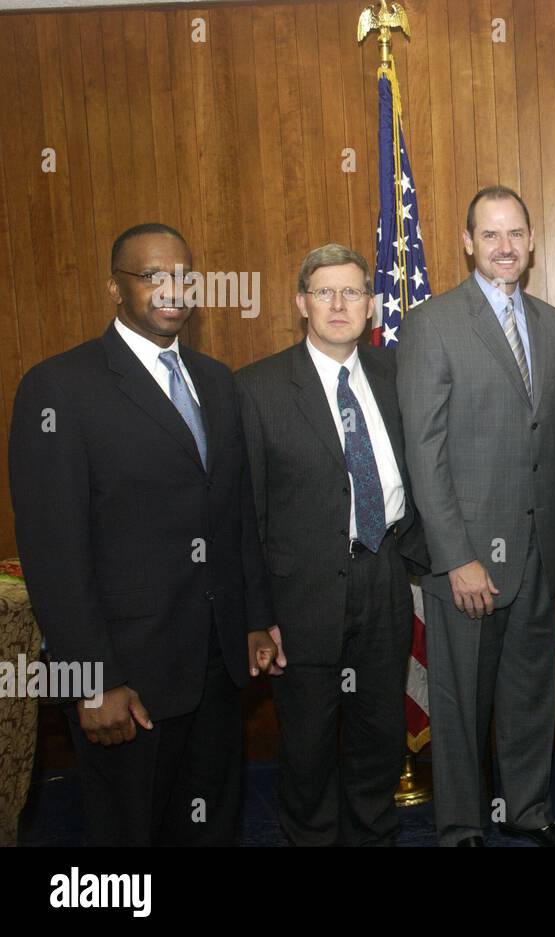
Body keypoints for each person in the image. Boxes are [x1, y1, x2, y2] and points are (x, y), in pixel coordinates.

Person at [8, 223, 279, 845]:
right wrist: (90, 679)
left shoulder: (215, 381)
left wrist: (254, 620)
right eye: (153, 276)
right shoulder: (60, 389)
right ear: (114, 289)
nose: (172, 289)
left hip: (215, 668)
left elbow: (235, 512)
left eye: (184, 276)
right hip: (127, 678)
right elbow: (55, 553)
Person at [396, 186, 555, 847]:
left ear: (532, 241)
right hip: (468, 560)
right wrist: (456, 555)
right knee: (459, 700)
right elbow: (425, 454)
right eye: (491, 234)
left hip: (537, 550)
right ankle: (461, 825)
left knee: (531, 690)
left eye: (516, 233)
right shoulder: (433, 324)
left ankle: (529, 810)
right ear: (467, 242)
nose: (505, 246)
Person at [235, 244, 430, 845]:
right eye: (325, 292)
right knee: (309, 747)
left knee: (377, 736)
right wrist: (257, 616)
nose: (339, 304)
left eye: (352, 292)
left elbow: (425, 471)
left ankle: (374, 837)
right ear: (301, 303)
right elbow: (245, 515)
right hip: (303, 594)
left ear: (371, 305)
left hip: (385, 578)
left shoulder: (397, 375)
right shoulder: (258, 388)